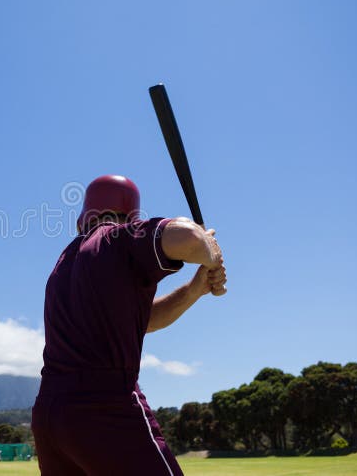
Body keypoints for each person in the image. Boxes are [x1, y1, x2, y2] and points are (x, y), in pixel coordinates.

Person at [31, 175, 227, 476]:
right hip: (105, 406)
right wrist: (208, 247)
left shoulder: (64, 264)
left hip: (50, 415)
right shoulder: (118, 238)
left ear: (85, 215)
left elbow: (142, 322)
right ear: (130, 216)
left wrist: (194, 289)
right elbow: (188, 239)